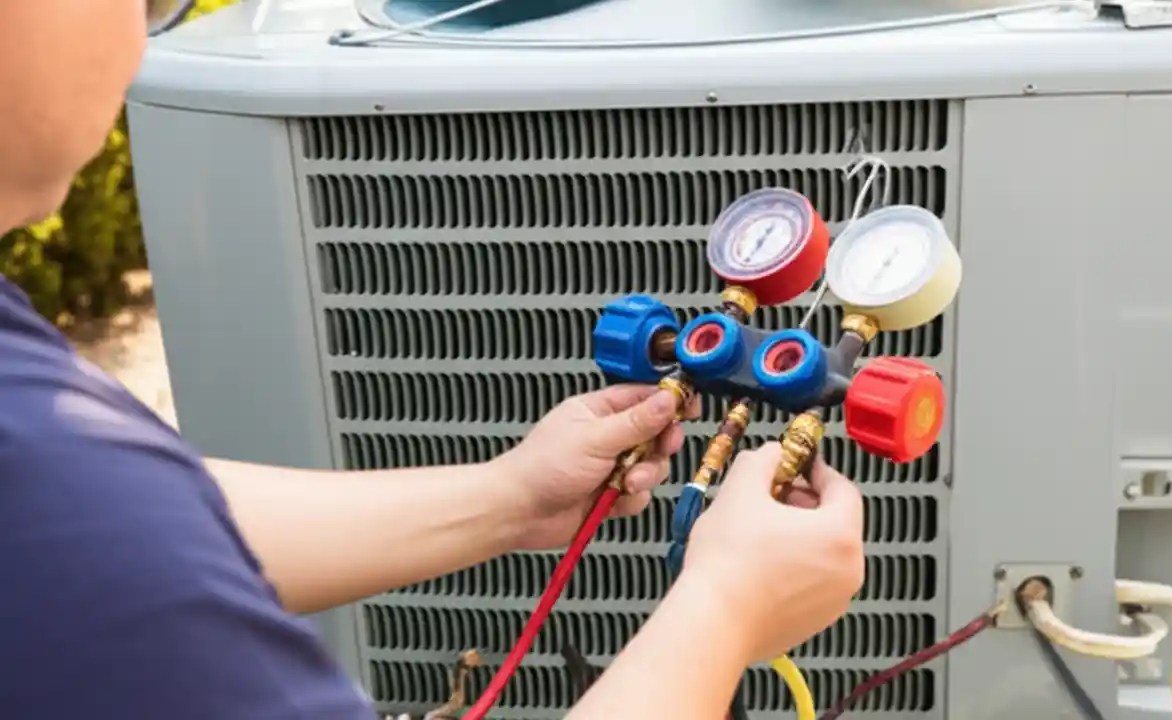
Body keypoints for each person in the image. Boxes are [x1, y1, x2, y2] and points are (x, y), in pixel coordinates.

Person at [0, 2, 867, 718]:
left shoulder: (45, 438)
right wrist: (722, 609)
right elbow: (109, 534)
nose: (148, 19)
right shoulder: (54, 474)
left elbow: (158, 527)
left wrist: (511, 498)